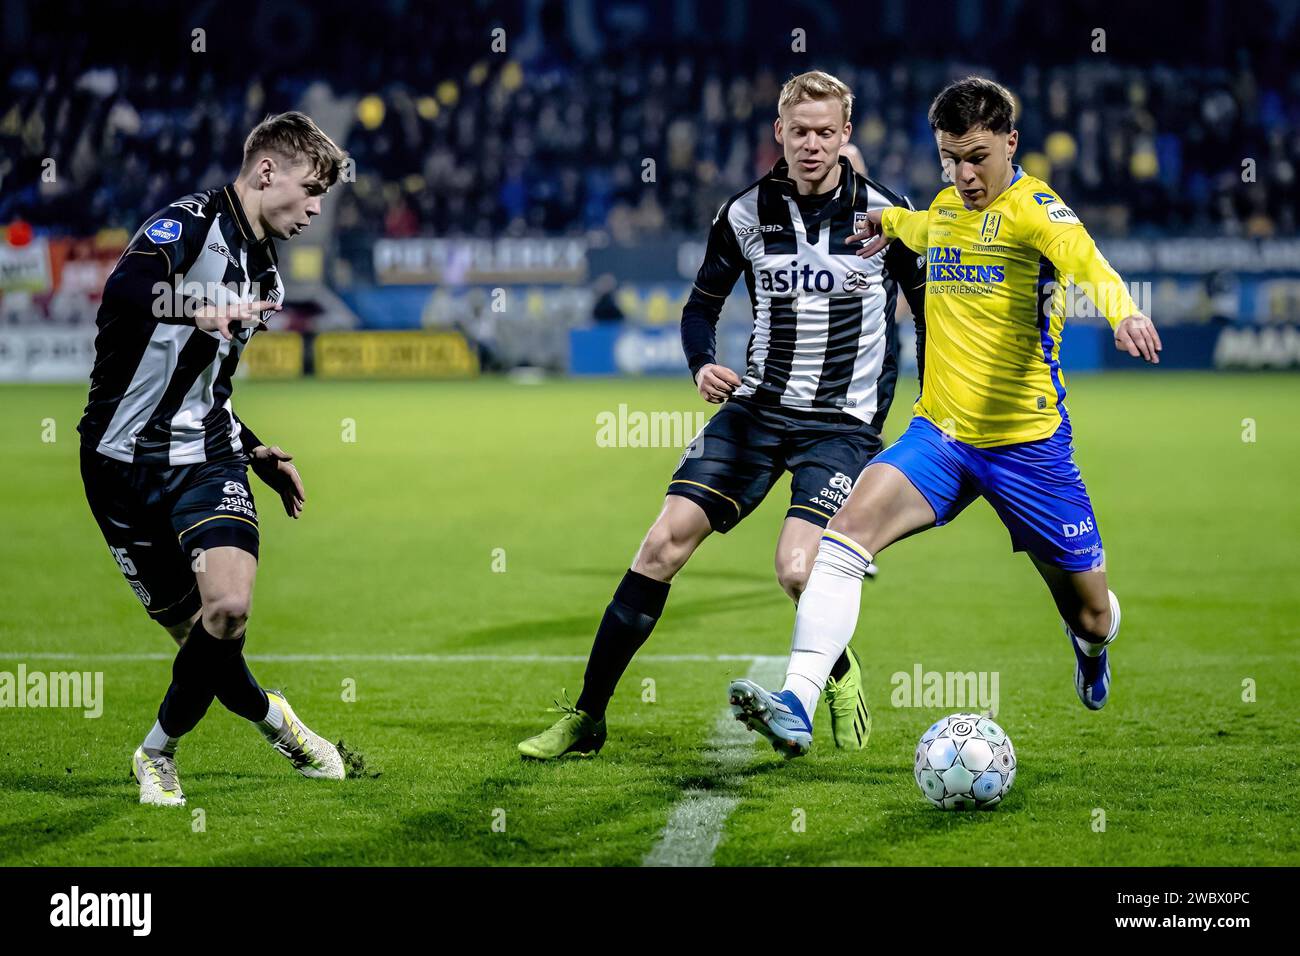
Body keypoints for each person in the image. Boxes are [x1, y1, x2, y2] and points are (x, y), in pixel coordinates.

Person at [730, 76, 1162, 756]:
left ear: (1011, 144)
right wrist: (885, 221)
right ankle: (798, 701)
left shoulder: (1036, 210)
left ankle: (1091, 646)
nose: (964, 175)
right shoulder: (947, 205)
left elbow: (1088, 261)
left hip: (1029, 452)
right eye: (949, 158)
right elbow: (927, 227)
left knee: (1093, 611)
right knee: (842, 541)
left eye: (977, 157)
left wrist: (1124, 311)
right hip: (941, 437)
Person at [519, 71, 926, 760]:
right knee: (661, 544)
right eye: (800, 131)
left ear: (846, 136)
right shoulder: (745, 213)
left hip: (841, 426)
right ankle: (587, 717)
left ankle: (837, 665)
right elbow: (700, 304)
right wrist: (701, 361)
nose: (812, 144)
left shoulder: (888, 217)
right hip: (755, 410)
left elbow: (927, 308)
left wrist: (934, 391)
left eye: (826, 132)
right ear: (779, 133)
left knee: (798, 570)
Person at [78, 112, 349, 804]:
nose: (316, 210)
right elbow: (125, 292)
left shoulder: (267, 274)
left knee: (226, 608)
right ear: (267, 173)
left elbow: (207, 384)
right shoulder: (188, 223)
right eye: (310, 190)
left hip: (208, 456)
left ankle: (155, 754)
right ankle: (280, 723)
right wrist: (194, 302)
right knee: (205, 647)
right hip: (118, 464)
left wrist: (255, 450)